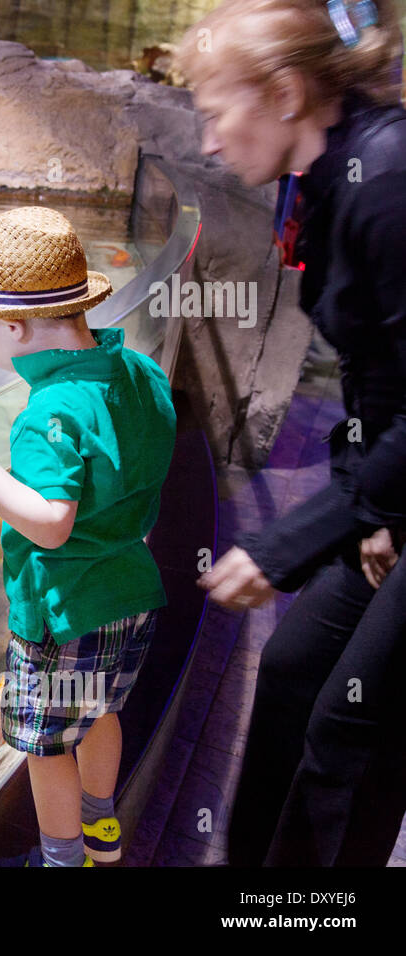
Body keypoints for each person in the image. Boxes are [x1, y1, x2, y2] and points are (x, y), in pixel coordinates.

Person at [179, 0, 406, 865]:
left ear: (282, 93)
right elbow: (378, 374)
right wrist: (372, 513)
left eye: (213, 113)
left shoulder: (386, 185)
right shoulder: (316, 178)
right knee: (294, 671)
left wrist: (293, 543)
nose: (206, 143)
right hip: (391, 489)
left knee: (354, 727)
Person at [0, 206, 177, 866]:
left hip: (66, 615)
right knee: (103, 714)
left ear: (13, 327)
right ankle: (102, 828)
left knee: (46, 745)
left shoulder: (46, 414)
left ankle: (62, 859)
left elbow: (52, 523)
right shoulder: (138, 371)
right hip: (132, 591)